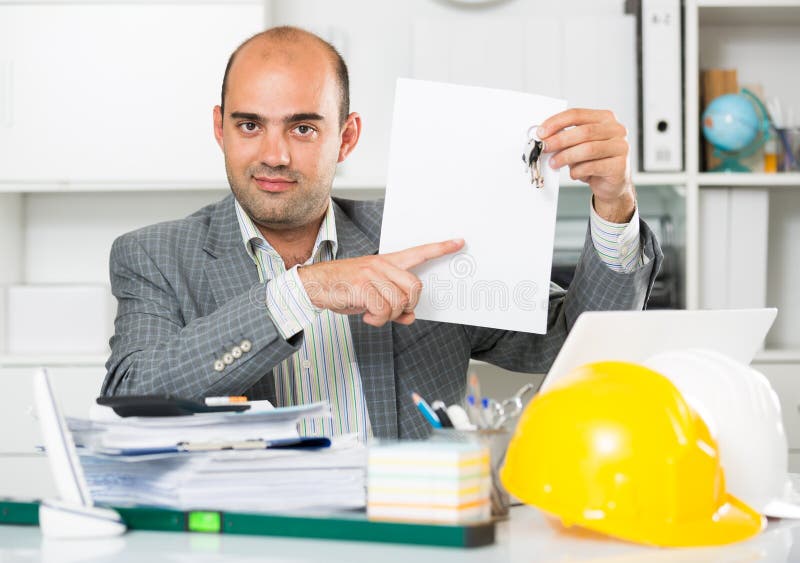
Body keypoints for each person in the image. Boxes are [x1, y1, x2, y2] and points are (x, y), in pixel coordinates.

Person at [102, 26, 663, 440]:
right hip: (252, 543)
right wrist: (301, 291)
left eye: (303, 127)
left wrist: (613, 204)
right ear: (219, 129)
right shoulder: (154, 257)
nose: (273, 154)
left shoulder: (420, 234)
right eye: (250, 125)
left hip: (411, 534)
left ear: (346, 139)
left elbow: (570, 340)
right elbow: (132, 397)